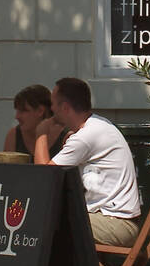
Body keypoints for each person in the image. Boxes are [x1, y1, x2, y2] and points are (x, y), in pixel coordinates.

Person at [33, 76, 141, 246]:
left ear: (65, 107)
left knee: (44, 222)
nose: (51, 109)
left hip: (117, 225)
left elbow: (44, 176)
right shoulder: (96, 126)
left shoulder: (85, 137)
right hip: (115, 220)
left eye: (53, 104)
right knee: (52, 217)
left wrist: (40, 134)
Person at [2, 84, 68, 160]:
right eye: (17, 110)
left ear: (40, 111)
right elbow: (5, 169)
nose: (17, 116)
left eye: (23, 111)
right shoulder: (14, 135)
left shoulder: (65, 137)